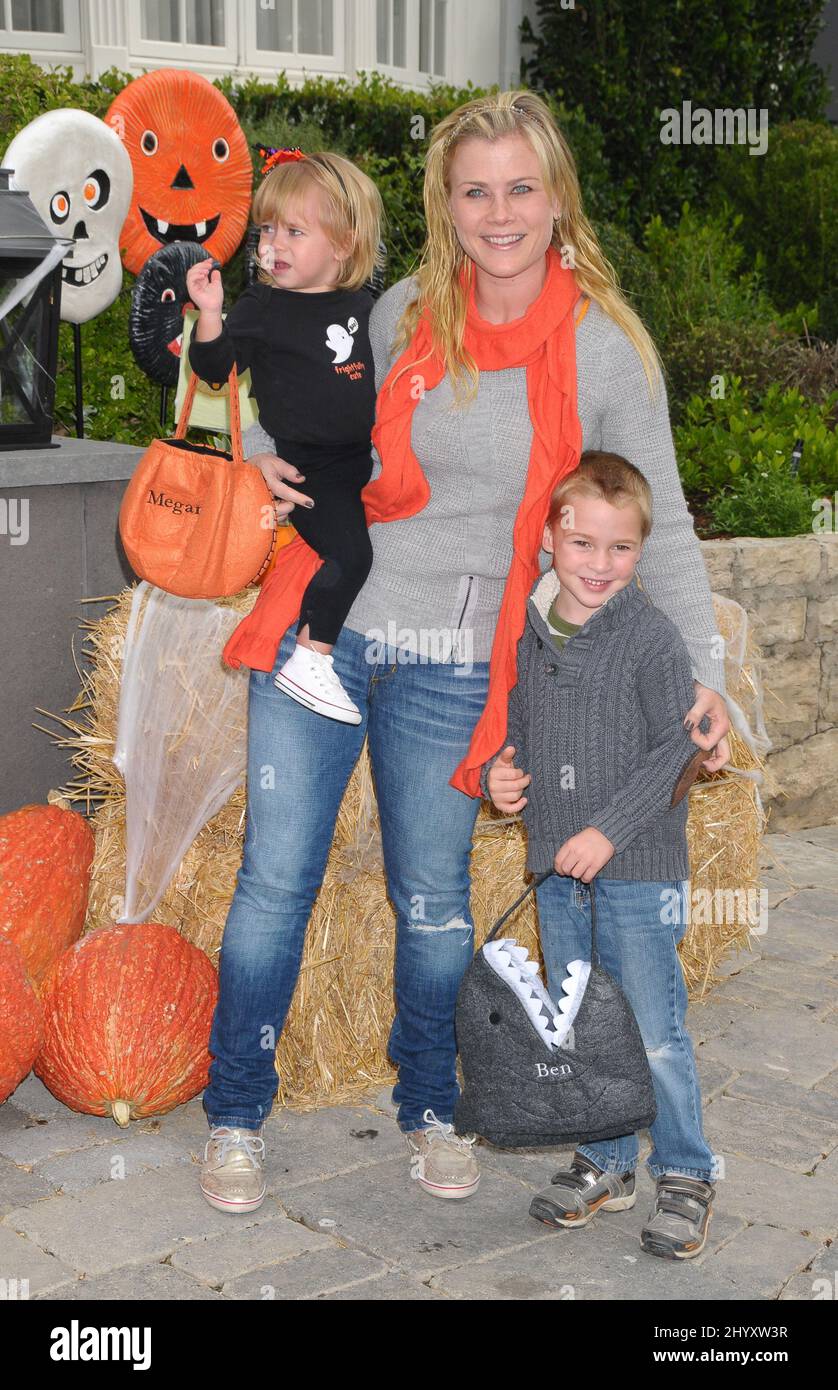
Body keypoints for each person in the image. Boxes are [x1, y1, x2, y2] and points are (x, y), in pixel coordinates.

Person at [196, 90, 730, 1216]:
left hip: (457, 660)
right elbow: (280, 370)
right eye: (474, 189)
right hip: (328, 629)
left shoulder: (604, 349)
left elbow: (663, 520)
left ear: (556, 200)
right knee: (272, 883)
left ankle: (430, 1106)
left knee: (433, 897)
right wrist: (255, 466)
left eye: (520, 189)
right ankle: (235, 1113)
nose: (498, 213)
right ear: (446, 203)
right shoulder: (398, 313)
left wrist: (704, 682)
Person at [482, 450, 717, 1258]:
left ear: (642, 552)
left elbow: (675, 750)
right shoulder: (532, 632)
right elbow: (516, 730)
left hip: (636, 870)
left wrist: (607, 831)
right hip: (557, 869)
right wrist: (499, 777)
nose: (600, 565)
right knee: (582, 1024)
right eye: (584, 545)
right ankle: (608, 1160)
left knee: (652, 1030)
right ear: (551, 539)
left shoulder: (650, 638)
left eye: (622, 549)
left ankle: (686, 1171)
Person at [186, 150, 385, 725]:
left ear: (343, 245)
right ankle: (311, 655)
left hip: (359, 463)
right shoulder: (262, 306)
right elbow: (214, 367)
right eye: (267, 230)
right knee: (351, 555)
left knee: (360, 544)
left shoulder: (366, 308)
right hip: (307, 470)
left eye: (295, 231)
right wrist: (210, 312)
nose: (274, 244)